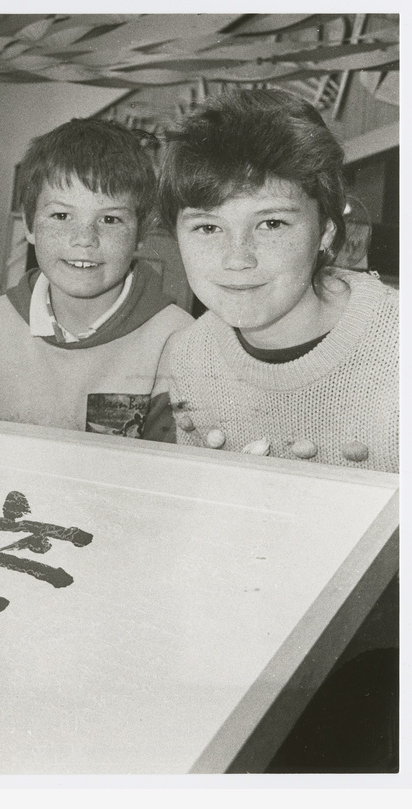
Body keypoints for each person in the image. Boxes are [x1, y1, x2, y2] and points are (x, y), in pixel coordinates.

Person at [149, 88, 397, 772]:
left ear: (326, 230)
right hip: (248, 672)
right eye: (206, 227)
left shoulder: (398, 342)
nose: (235, 259)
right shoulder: (190, 356)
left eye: (271, 225)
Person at [0, 118, 192, 431]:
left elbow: (170, 468)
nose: (84, 238)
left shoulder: (178, 337)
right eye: (61, 215)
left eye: (111, 220)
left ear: (140, 234)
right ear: (31, 225)